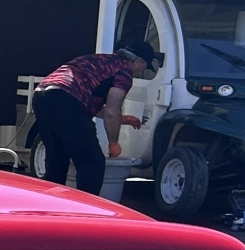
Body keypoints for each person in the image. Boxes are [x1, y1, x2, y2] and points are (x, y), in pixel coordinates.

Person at [29, 44, 156, 193]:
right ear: (138, 61)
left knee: (57, 158)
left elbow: (83, 102)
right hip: (65, 98)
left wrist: (122, 119)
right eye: (144, 67)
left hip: (42, 95)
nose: (141, 72)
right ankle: (85, 205)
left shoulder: (100, 60)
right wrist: (113, 143)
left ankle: (51, 203)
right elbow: (112, 109)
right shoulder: (124, 72)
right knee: (92, 162)